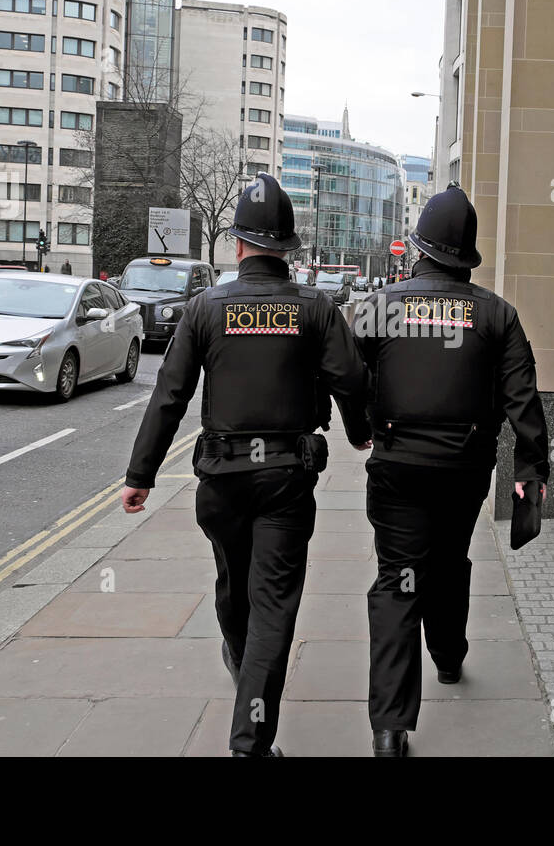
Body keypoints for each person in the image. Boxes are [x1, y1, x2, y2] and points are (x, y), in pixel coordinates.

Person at [120, 172, 372, 757]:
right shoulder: (315, 307)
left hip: (222, 479)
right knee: (273, 606)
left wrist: (140, 476)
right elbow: (351, 380)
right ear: (289, 249)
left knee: (235, 593)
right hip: (286, 478)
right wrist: (361, 433)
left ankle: (247, 699)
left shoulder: (207, 307)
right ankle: (250, 739)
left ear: (236, 245)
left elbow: (170, 394)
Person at [353, 182, 550, 757]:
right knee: (447, 561)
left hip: (395, 466)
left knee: (398, 580)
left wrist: (361, 424)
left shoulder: (380, 307)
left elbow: (345, 373)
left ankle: (390, 728)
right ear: (467, 255)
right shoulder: (497, 315)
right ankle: (448, 654)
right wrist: (530, 470)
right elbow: (523, 401)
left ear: (419, 249)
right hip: (464, 468)